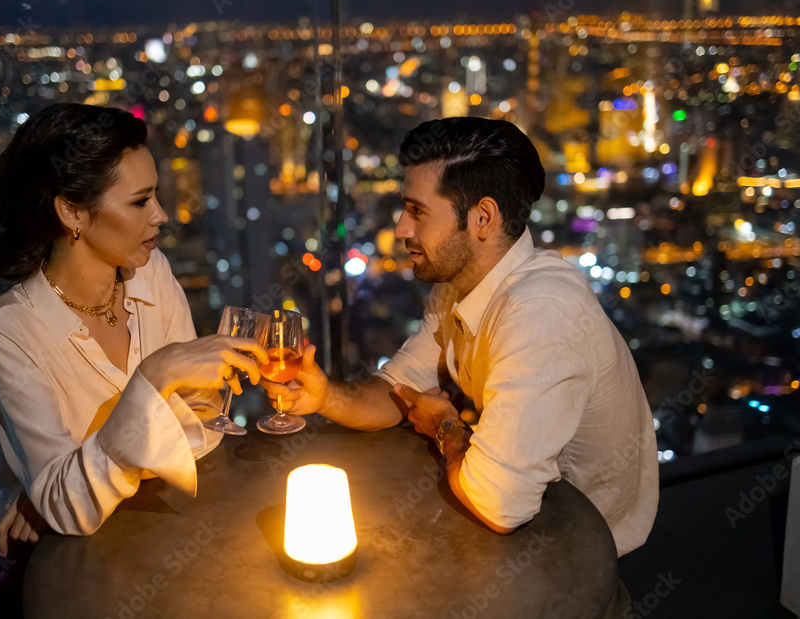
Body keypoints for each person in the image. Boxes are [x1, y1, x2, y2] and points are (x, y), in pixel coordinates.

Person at [265, 117, 658, 556]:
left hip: (576, 547)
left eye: (417, 211)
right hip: (523, 519)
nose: (400, 229)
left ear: (482, 218)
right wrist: (325, 398)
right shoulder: (460, 283)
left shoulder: (538, 312)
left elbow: (500, 505)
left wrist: (446, 427)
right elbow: (400, 388)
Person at [0, 103, 266, 551]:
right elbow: (70, 509)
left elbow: (203, 428)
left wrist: (69, 480)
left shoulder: (152, 274)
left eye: (156, 195)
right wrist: (156, 379)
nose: (161, 215)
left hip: (169, 532)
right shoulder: (8, 334)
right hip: (79, 565)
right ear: (71, 212)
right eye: (140, 201)